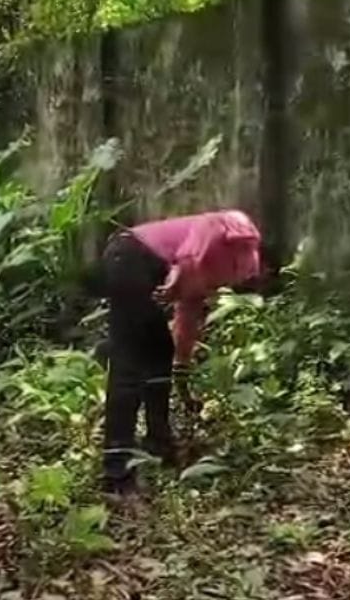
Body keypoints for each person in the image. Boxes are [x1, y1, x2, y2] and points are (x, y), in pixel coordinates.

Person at [91, 209, 265, 495]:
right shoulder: (241, 232)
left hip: (144, 264)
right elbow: (207, 224)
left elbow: (187, 318)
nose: (232, 284)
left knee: (160, 352)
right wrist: (184, 265)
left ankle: (159, 444)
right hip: (132, 256)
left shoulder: (203, 273)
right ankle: (116, 474)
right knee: (130, 364)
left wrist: (181, 371)